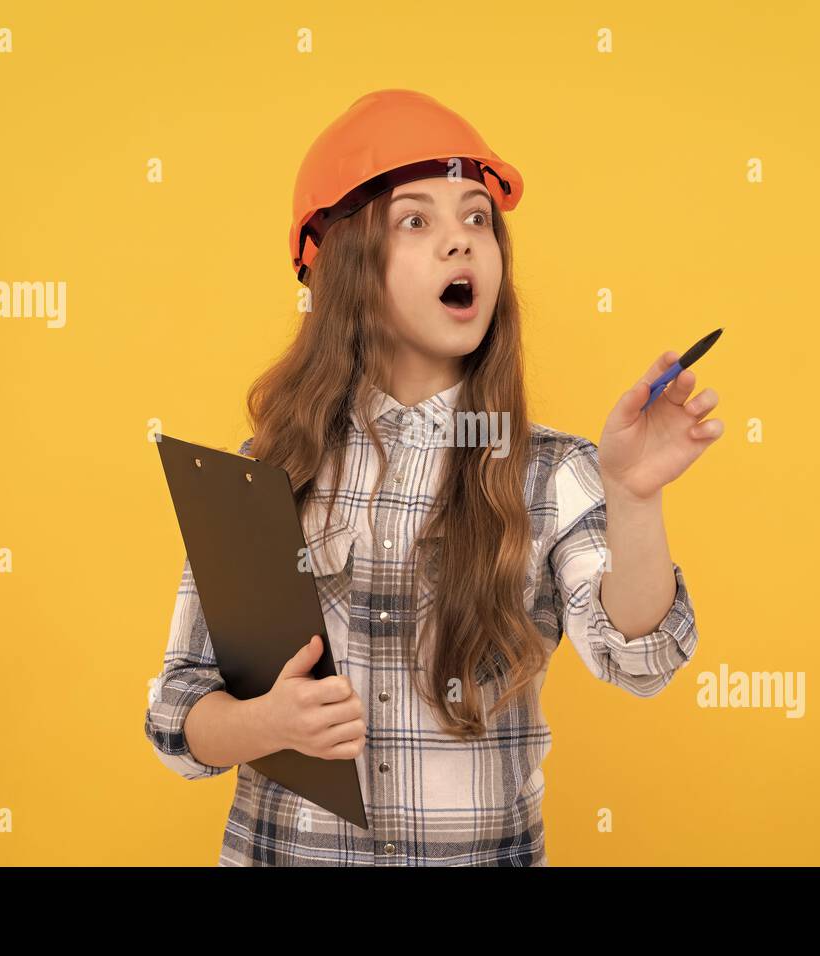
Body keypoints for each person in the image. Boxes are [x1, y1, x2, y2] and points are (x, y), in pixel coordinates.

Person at [144, 89, 722, 866]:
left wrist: (635, 497)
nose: (462, 243)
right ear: (344, 265)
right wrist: (268, 725)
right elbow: (176, 710)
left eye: (477, 218)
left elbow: (642, 661)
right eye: (417, 220)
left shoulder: (552, 473)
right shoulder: (266, 473)